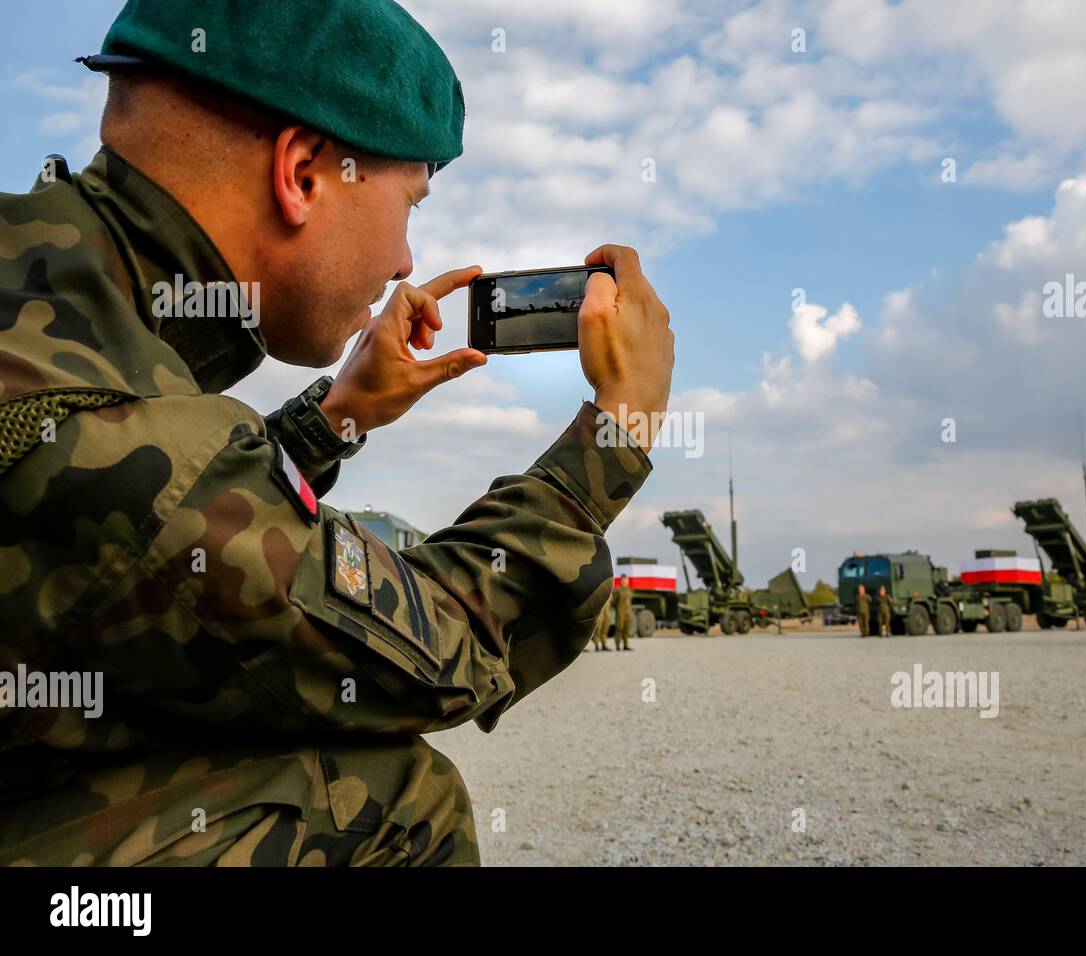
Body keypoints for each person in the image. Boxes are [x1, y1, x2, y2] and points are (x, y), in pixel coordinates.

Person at [0, 0, 674, 866]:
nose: (403, 260)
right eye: (411, 202)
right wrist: (619, 428)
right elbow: (436, 648)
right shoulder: (110, 433)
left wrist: (338, 415)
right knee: (387, 797)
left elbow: (171, 528)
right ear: (305, 173)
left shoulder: (46, 289)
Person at [614, 575, 635, 651]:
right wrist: (618, 609)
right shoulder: (618, 590)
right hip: (620, 613)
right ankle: (617, 645)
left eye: (626, 580)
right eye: (624, 580)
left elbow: (630, 600)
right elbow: (614, 601)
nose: (625, 581)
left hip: (628, 612)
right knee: (619, 628)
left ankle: (625, 645)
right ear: (621, 580)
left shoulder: (630, 590)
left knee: (626, 629)